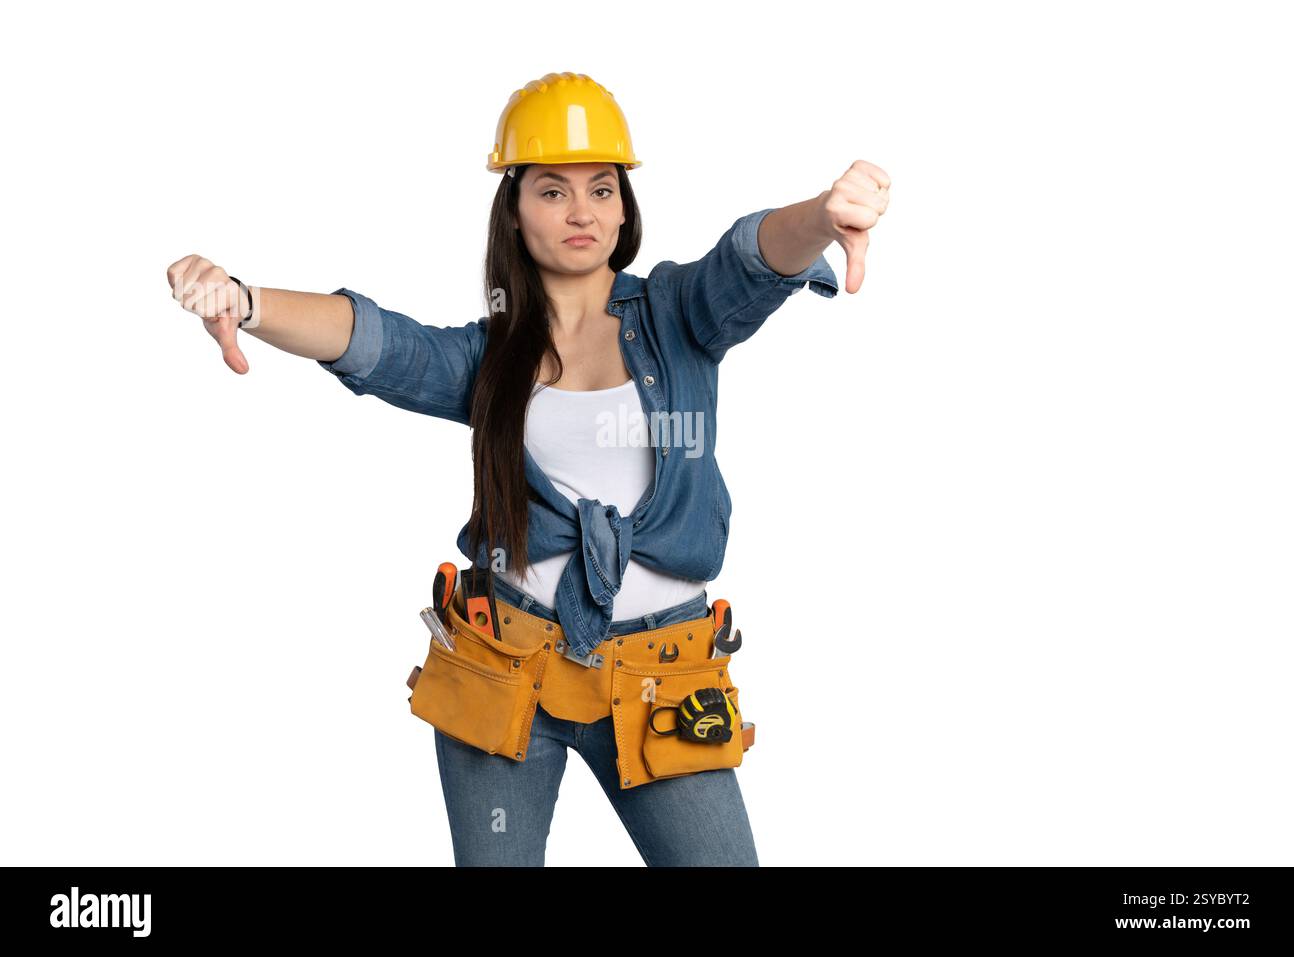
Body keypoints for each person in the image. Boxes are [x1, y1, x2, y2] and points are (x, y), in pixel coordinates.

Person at [165, 71, 890, 866]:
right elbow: (376, 341)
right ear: (514, 207)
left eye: (602, 189)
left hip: (663, 679)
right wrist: (245, 296)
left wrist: (821, 216)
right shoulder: (489, 356)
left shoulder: (682, 313)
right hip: (504, 669)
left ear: (625, 206)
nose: (582, 211)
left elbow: (750, 259)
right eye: (553, 190)